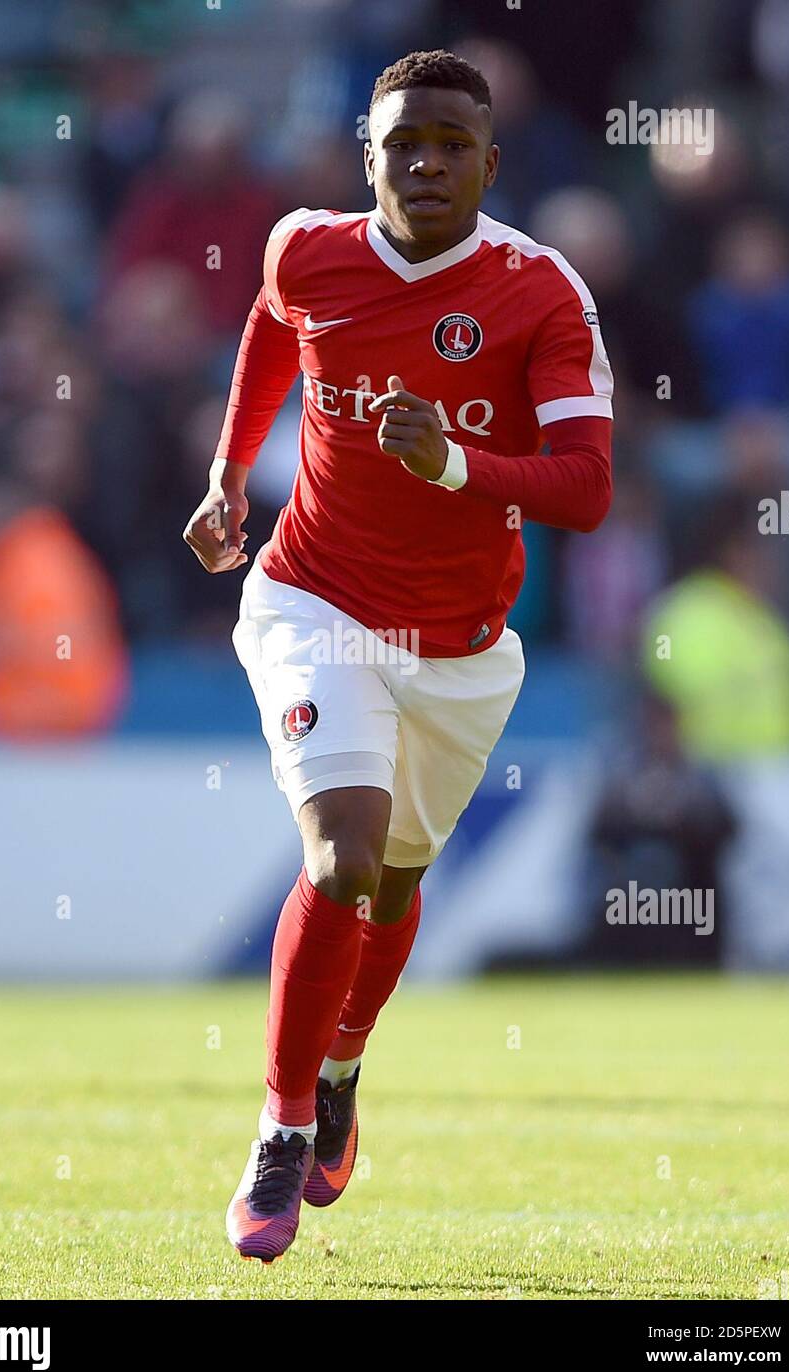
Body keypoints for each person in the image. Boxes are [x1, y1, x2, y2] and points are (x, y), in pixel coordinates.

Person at [183, 49, 614, 1262]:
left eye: (447, 144)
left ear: (490, 161)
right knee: (339, 858)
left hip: (463, 647)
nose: (422, 162)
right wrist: (229, 470)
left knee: (394, 882)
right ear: (363, 158)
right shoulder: (305, 250)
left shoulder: (541, 293)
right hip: (312, 602)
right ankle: (276, 1128)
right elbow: (274, 326)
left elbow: (586, 488)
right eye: (399, 144)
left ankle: (339, 1071)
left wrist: (453, 466)